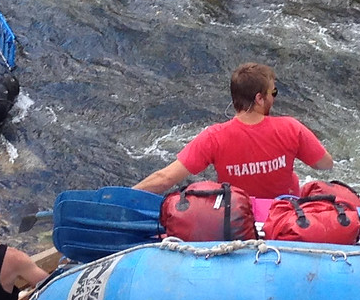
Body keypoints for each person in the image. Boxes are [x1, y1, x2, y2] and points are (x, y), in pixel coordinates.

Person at [132, 64, 334, 222]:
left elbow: (165, 179)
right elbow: (325, 164)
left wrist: (125, 199)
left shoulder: (213, 137)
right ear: (259, 99)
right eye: (273, 93)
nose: (274, 98)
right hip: (285, 217)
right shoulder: (291, 127)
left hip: (236, 219)